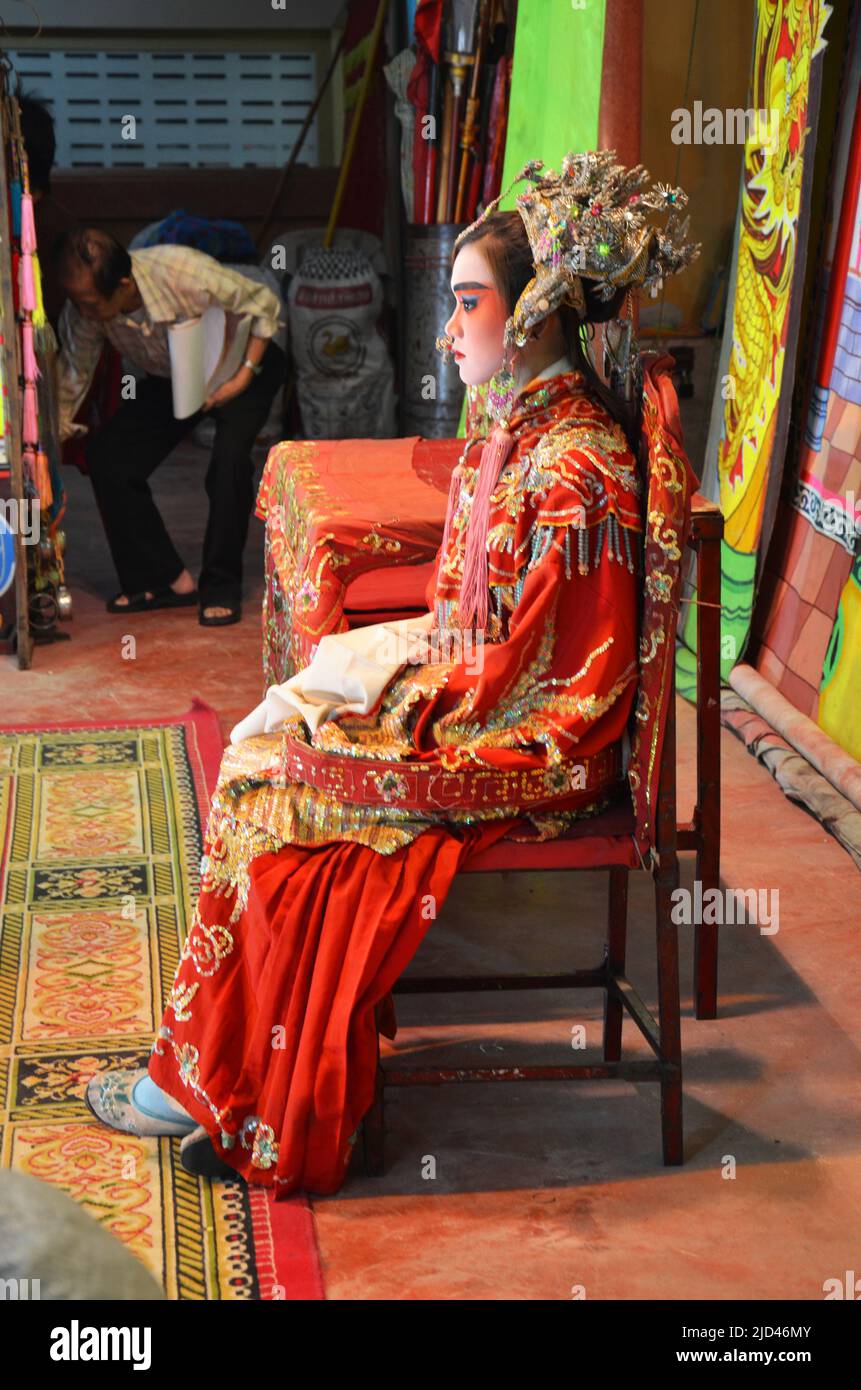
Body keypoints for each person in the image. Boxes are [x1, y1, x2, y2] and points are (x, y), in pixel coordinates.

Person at [86, 152, 699, 1191]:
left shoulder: (578, 468)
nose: (450, 328)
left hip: (538, 753)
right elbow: (487, 632)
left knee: (279, 798)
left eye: (469, 304)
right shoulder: (523, 427)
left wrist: (396, 713)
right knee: (269, 761)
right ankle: (212, 1076)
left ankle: (235, 1087)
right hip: (489, 709)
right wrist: (381, 683)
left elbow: (563, 692)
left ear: (538, 318)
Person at [54, 228, 286, 625]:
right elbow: (74, 373)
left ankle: (220, 586)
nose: (83, 312)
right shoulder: (86, 310)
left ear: (124, 285)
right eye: (77, 302)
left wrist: (241, 377)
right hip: (179, 374)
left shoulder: (183, 271)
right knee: (109, 458)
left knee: (228, 462)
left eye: (90, 303)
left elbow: (264, 305)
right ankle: (162, 580)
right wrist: (45, 439)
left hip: (244, 363)